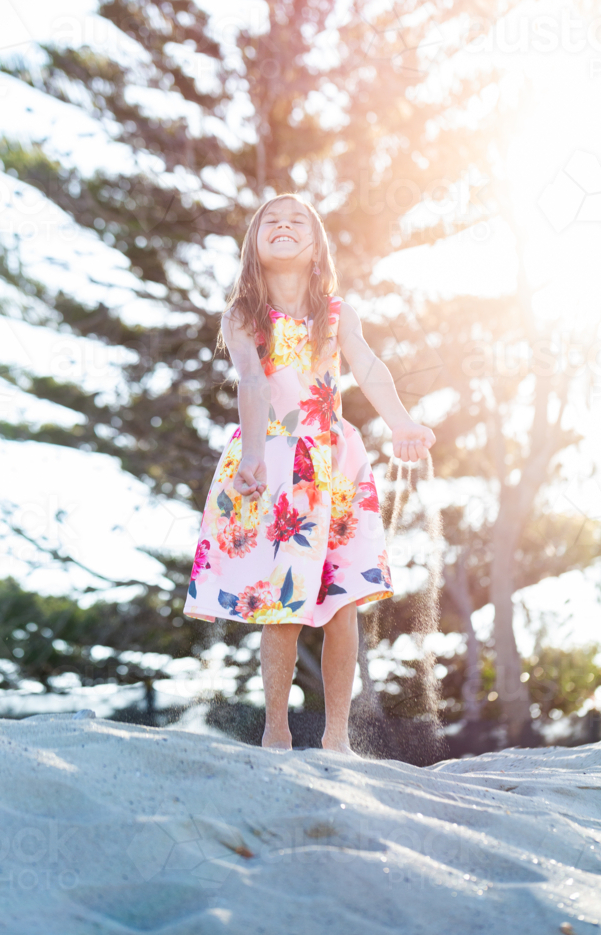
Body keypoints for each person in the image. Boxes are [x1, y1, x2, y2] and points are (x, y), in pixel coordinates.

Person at [184, 193, 435, 753]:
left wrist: (402, 423)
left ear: (317, 246)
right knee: (284, 605)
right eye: (269, 220)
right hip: (275, 461)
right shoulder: (243, 314)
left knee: (342, 602)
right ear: (253, 245)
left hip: (335, 463)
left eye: (298, 220)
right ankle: (276, 733)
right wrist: (251, 456)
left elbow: (367, 366)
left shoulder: (337, 312)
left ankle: (338, 738)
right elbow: (251, 382)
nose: (283, 224)